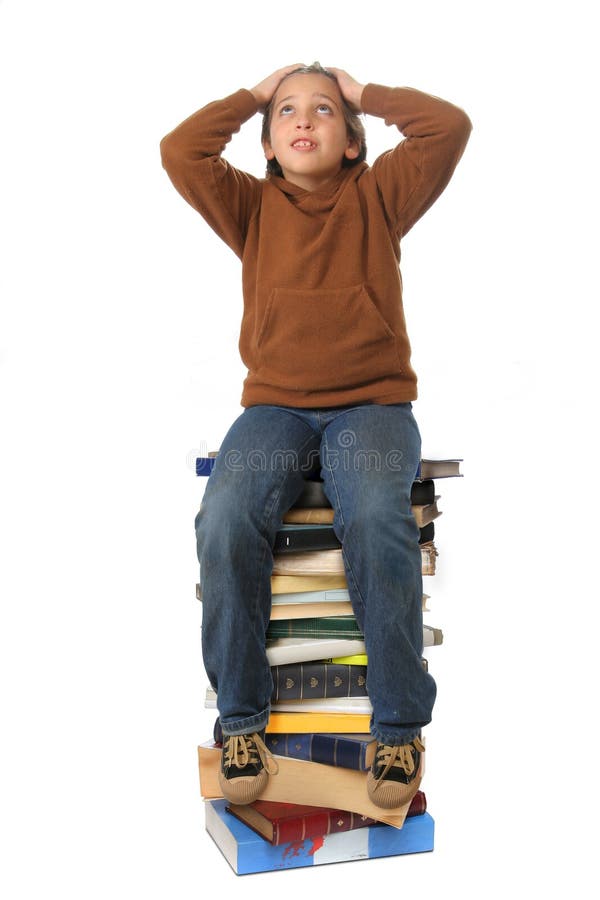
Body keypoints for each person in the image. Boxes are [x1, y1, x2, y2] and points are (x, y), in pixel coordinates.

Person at [160, 62, 471, 809]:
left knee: (373, 516)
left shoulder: (379, 195)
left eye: (326, 111)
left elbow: (448, 127)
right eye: (288, 113)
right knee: (227, 518)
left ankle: (398, 725)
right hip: (276, 410)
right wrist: (252, 96)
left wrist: (365, 92)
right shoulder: (248, 206)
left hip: (372, 408)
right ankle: (241, 722)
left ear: (355, 141)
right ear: (267, 143)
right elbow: (180, 151)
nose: (305, 120)